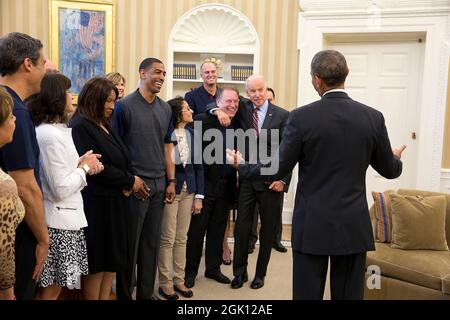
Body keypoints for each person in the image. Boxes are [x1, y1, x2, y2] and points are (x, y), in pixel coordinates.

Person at [228, 50, 406, 300]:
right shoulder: (373, 118)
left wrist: (242, 166)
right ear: (347, 75)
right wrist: (396, 158)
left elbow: (277, 168)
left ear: (317, 80)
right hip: (352, 226)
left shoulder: (301, 117)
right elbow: (389, 170)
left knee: (307, 293)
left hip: (312, 224)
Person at [70, 77, 149, 300]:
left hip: (115, 203)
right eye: (108, 101)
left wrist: (128, 182)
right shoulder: (80, 126)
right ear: (94, 98)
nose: (112, 106)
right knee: (98, 263)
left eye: (114, 101)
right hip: (97, 206)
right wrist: (129, 181)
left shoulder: (104, 124)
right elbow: (97, 168)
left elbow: (121, 159)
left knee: (111, 263)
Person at [28, 73, 103, 300]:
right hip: (59, 222)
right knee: (51, 291)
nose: (72, 97)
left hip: (66, 220)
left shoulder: (56, 130)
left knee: (57, 288)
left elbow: (59, 174)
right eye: (67, 92)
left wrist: (79, 163)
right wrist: (85, 169)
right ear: (55, 98)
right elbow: (59, 188)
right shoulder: (49, 134)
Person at [113, 58, 176, 300]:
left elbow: (166, 147)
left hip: (160, 185)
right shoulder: (124, 106)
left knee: (151, 246)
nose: (161, 77)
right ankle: (125, 296)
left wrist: (171, 181)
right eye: (156, 72)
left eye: (164, 73)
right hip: (136, 187)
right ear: (142, 73)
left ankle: (146, 295)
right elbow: (117, 148)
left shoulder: (165, 108)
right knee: (131, 247)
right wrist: (130, 181)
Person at [0, 32, 49, 300]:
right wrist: (43, 238)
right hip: (17, 233)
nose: (44, 71)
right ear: (27, 64)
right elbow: (25, 187)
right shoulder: (14, 112)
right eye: (42, 63)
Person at [184, 87, 240, 289]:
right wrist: (214, 111)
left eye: (236, 101)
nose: (233, 105)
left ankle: (213, 269)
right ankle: (189, 272)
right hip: (205, 184)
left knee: (218, 229)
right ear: (218, 103)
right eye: (228, 102)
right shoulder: (204, 120)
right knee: (197, 231)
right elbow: (194, 117)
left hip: (226, 185)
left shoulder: (238, 121)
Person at [158, 97, 204, 300]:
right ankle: (165, 284)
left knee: (182, 238)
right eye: (187, 108)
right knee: (167, 238)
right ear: (177, 113)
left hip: (190, 192)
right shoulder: (166, 135)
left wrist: (199, 196)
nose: (191, 110)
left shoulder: (193, 134)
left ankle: (179, 280)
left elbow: (199, 167)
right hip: (171, 190)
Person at [248, 87, 288, 254]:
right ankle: (251, 240)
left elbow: (288, 151)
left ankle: (275, 239)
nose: (266, 102)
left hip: (274, 172)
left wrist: (283, 179)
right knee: (252, 211)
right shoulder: (250, 113)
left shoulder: (282, 116)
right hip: (252, 171)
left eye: (270, 100)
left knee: (275, 210)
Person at [0, 88, 25, 300]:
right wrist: (8, 294)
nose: (15, 118)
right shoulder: (4, 185)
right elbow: (4, 254)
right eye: (10, 116)